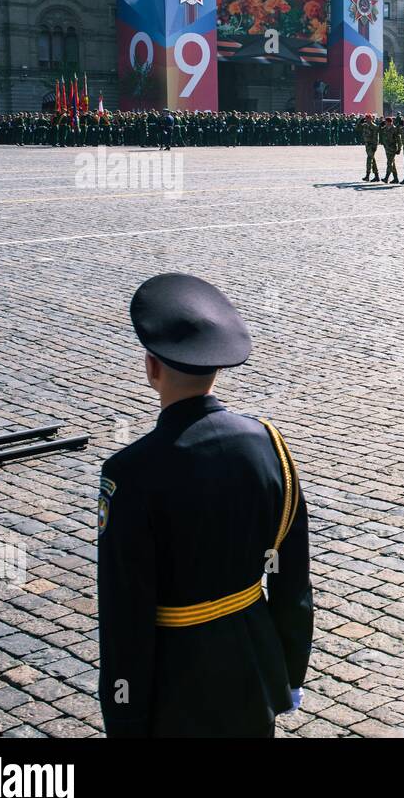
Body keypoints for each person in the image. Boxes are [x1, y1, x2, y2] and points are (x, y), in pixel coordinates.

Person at [97, 274, 313, 737]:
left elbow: (125, 614)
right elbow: (291, 578)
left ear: (151, 368)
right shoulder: (268, 443)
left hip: (176, 678)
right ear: (217, 368)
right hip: (254, 662)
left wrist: (124, 713)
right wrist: (289, 670)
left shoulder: (130, 472)